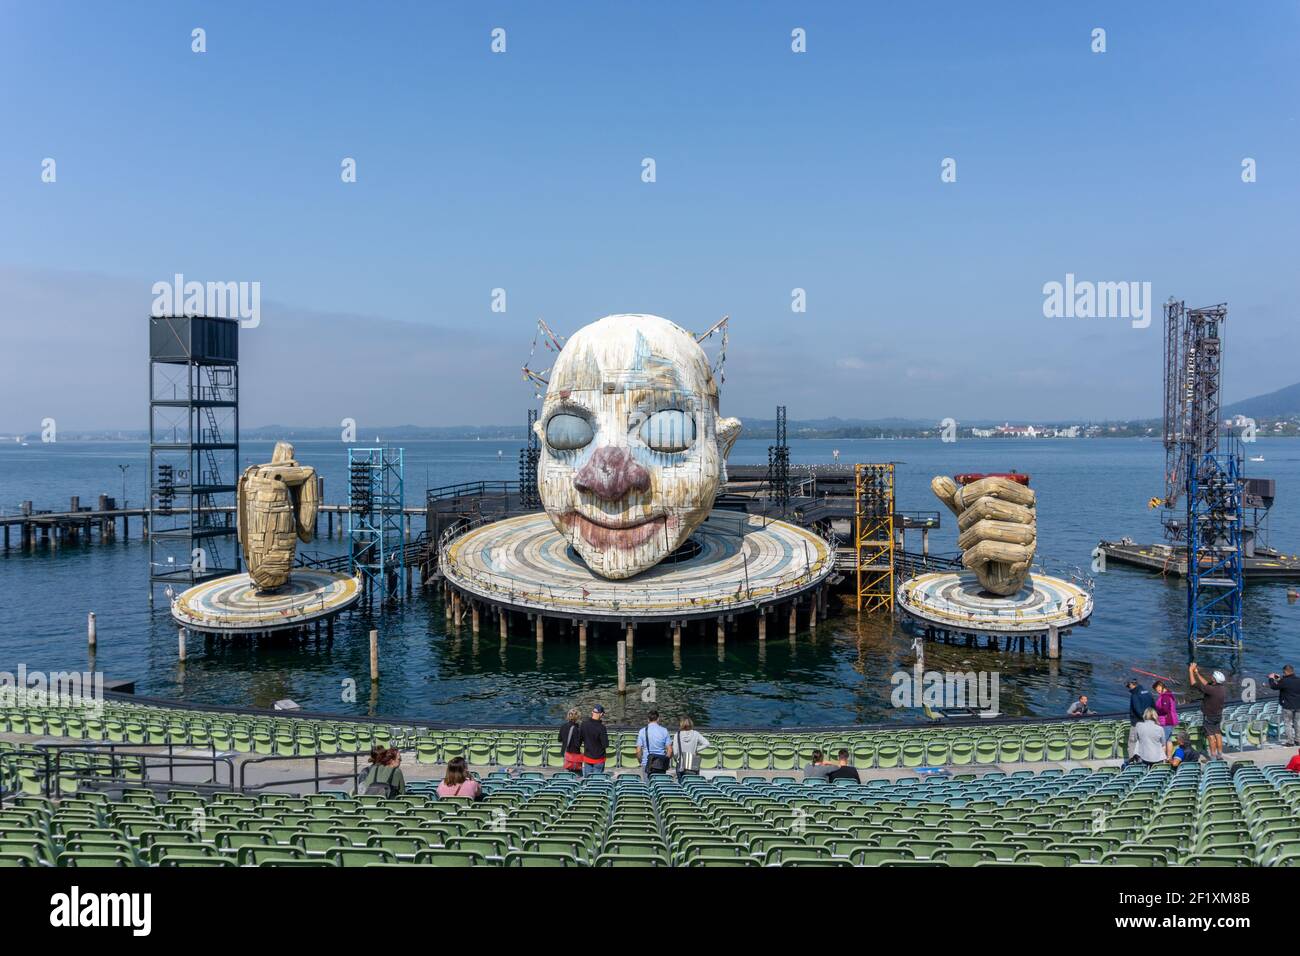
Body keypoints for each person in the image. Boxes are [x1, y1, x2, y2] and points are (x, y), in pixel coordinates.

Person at [1188, 663, 1226, 760]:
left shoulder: (1211, 690)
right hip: (1218, 715)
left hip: (1209, 716)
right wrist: (1197, 673)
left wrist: (1190, 670)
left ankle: (1212, 757)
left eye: (1212, 676)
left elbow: (1193, 684)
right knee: (1218, 734)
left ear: (1214, 679)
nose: (1211, 677)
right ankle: (1220, 755)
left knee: (1210, 736)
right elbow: (1206, 684)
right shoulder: (1222, 688)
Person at [1267, 665, 1300, 745]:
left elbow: (1274, 686)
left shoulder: (1284, 681)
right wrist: (1280, 678)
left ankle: (1290, 741)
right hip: (1298, 705)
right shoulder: (1298, 680)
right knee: (1298, 723)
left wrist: (1271, 678)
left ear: (1285, 671)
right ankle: (1298, 740)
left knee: (1287, 724)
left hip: (1288, 706)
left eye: (1283, 672)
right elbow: (1288, 683)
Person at [636, 710, 673, 777]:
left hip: (647, 762)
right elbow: (670, 750)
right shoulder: (664, 730)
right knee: (659, 786)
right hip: (661, 763)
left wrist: (641, 761)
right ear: (658, 719)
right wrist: (665, 761)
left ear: (648, 719)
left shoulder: (642, 731)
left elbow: (638, 750)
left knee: (648, 786)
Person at [1126, 680, 1155, 759]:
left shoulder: (1134, 694)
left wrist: (1143, 718)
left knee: (1132, 742)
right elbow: (1153, 707)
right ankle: (1145, 758)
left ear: (1132, 685)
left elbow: (1137, 710)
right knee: (1145, 742)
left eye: (1129, 686)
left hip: (1137, 722)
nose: (1129, 689)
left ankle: (1131, 761)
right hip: (1149, 722)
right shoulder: (1148, 693)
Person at [578, 704, 609, 776]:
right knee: (596, 783)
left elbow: (579, 740)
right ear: (601, 714)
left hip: (587, 757)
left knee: (587, 781)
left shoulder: (584, 724)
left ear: (592, 712)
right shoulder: (602, 728)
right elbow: (605, 744)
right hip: (599, 758)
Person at [559, 707, 583, 775]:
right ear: (577, 717)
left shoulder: (563, 726)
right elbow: (577, 744)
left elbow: (559, 739)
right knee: (577, 774)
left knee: (566, 773)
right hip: (574, 754)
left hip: (565, 752)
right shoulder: (576, 728)